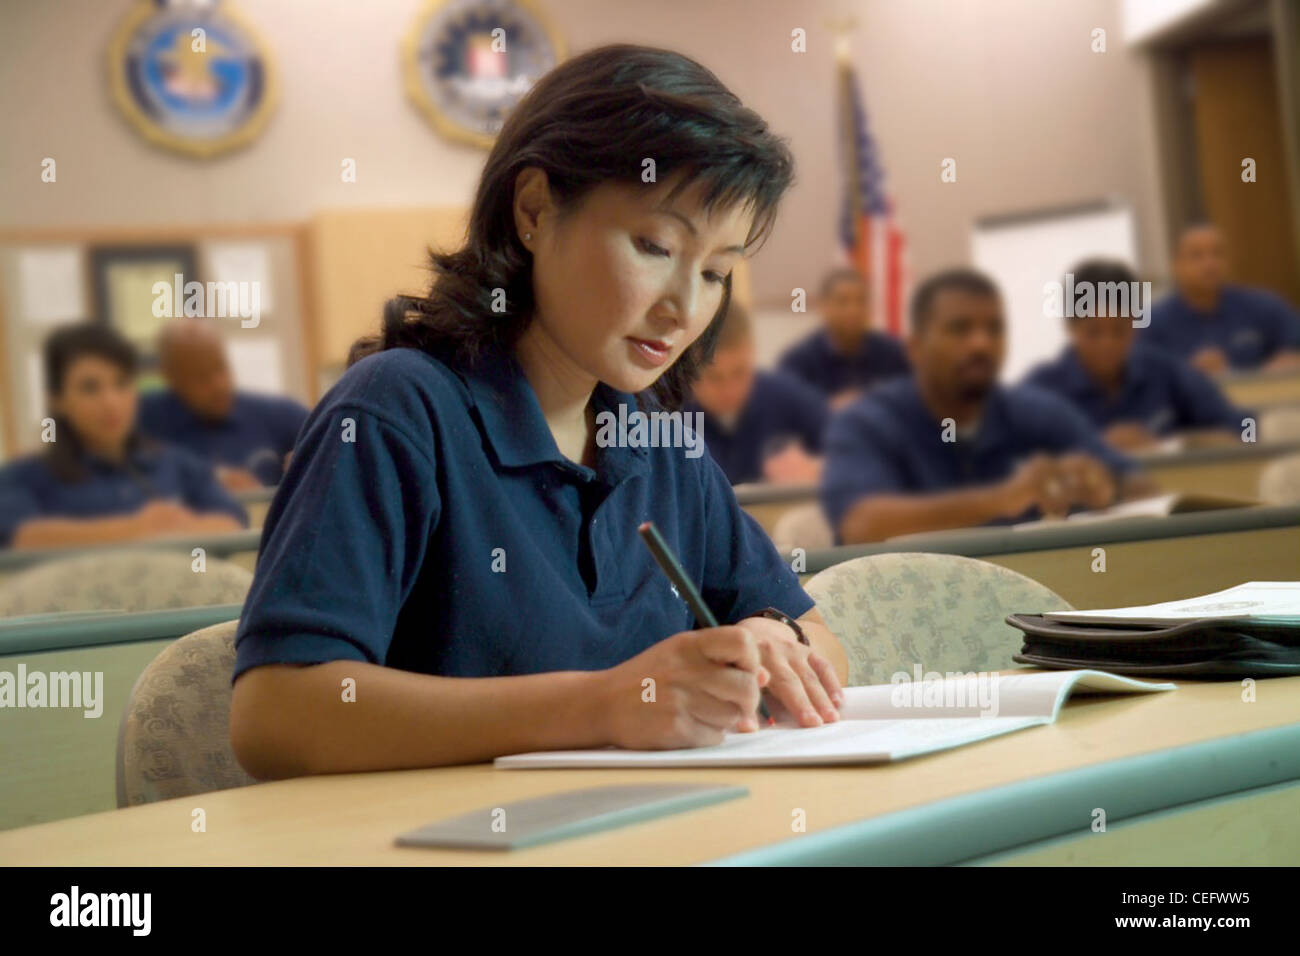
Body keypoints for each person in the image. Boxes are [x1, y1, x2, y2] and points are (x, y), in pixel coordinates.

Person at [230, 44, 849, 780]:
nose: (685, 308)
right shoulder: (397, 410)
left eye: (716, 272)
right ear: (533, 209)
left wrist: (772, 637)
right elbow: (276, 713)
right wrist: (602, 706)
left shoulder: (655, 438)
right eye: (655, 245)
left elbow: (821, 640)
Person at [822, 269, 1155, 545]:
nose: (982, 343)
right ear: (916, 348)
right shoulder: (866, 422)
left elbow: (1143, 487)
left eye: (994, 329)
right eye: (960, 329)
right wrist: (1004, 498)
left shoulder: (1038, 412)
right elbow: (860, 524)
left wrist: (1106, 486)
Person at [0, 323, 248, 550]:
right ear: (57, 401)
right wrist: (140, 529)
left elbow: (232, 520)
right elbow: (18, 536)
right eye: (90, 388)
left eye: (122, 383)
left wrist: (175, 527)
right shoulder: (27, 475)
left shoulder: (175, 462)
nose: (111, 403)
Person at [1023, 259, 1247, 451]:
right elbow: (1006, 466)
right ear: (1071, 328)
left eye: (1119, 330)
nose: (1107, 343)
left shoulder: (1167, 373)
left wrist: (1176, 442)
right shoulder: (1040, 390)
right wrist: (1094, 448)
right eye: (1094, 332)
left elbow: (1249, 429)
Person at [137, 318, 309, 490]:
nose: (219, 385)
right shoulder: (145, 420)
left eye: (221, 367)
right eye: (201, 376)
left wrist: (308, 465)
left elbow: (329, 443)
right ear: (172, 379)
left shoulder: (279, 414)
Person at [685, 302, 827, 485]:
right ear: (687, 368)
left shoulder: (785, 396)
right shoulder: (666, 417)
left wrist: (818, 467)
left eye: (739, 372)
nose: (729, 390)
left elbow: (852, 451)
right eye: (714, 378)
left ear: (751, 353)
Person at [1145, 224, 1300, 374]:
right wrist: (1187, 374)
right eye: (1196, 255)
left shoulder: (1265, 307)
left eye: (1217, 254)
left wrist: (1279, 368)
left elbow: (1293, 348)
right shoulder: (1153, 321)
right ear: (1176, 265)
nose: (1209, 264)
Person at [778, 268, 910, 409]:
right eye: (843, 302)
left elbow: (913, 398)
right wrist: (825, 407)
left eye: (861, 301)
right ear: (823, 307)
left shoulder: (893, 353)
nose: (853, 310)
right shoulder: (798, 361)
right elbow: (787, 412)